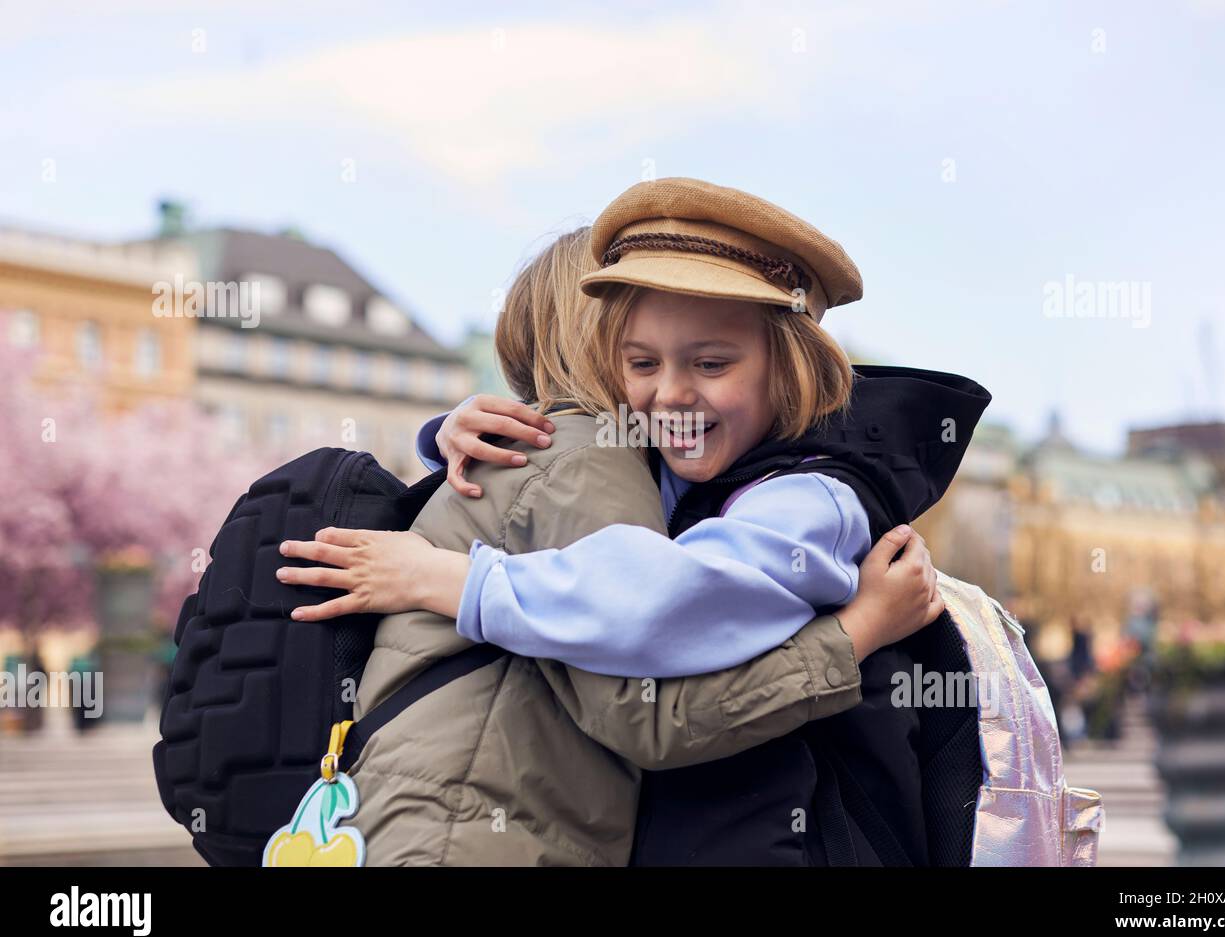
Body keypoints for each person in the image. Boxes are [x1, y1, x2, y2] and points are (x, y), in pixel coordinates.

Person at [279, 219, 939, 865]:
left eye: (710, 361)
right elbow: (645, 714)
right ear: (599, 344)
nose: (671, 391)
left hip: (419, 821)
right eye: (642, 361)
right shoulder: (598, 462)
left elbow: (657, 599)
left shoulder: (777, 490)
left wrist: (447, 576)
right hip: (479, 833)